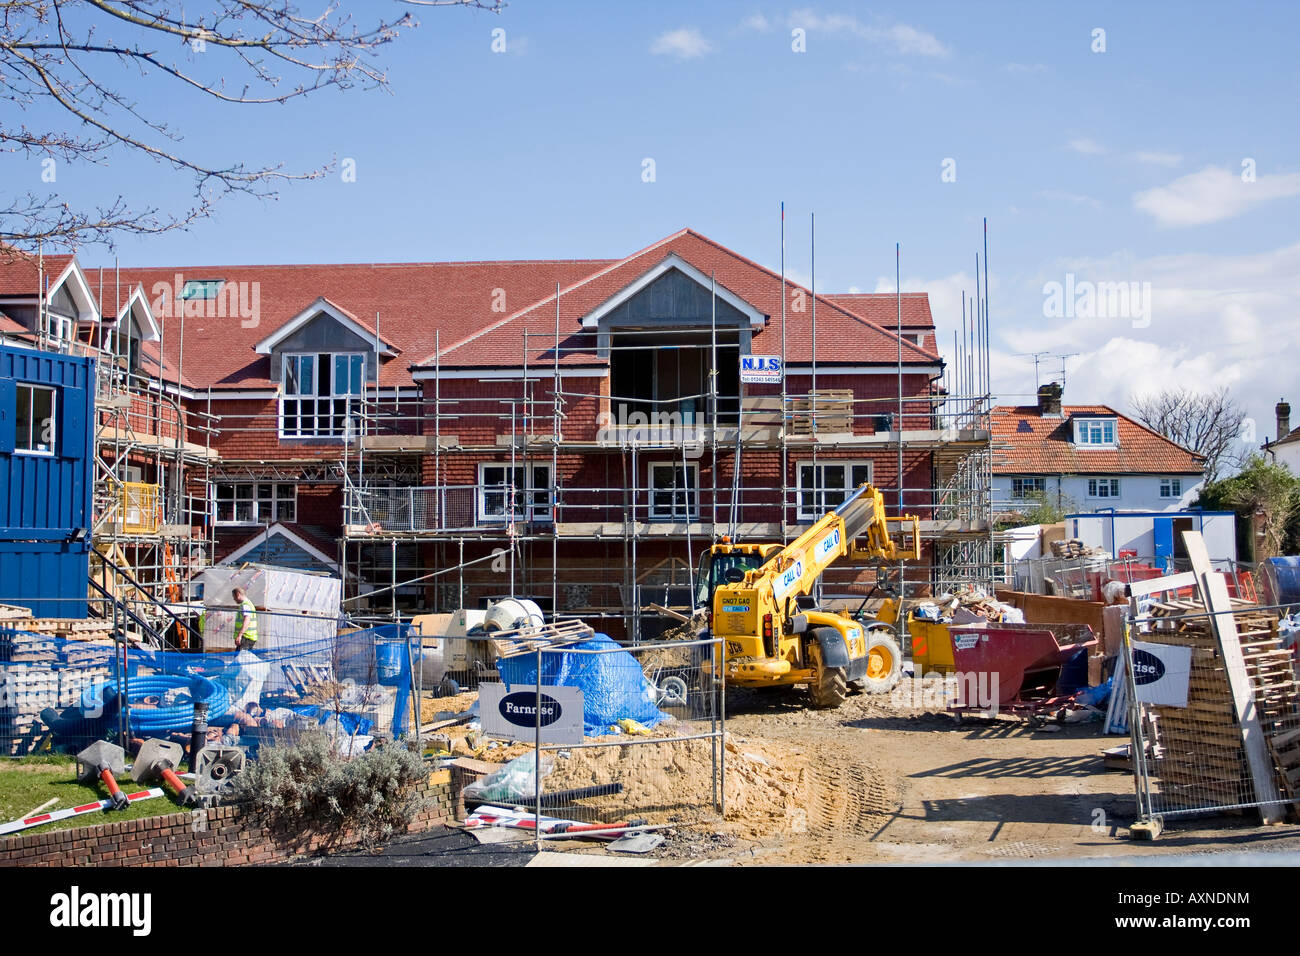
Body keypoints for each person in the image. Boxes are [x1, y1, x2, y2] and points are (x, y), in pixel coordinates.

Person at [232, 586, 259, 651]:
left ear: (238, 594)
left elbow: (247, 620)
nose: (234, 599)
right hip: (249, 637)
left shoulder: (245, 605)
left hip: (246, 637)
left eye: (234, 597)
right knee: (243, 658)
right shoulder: (248, 603)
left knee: (239, 658)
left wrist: (239, 635)